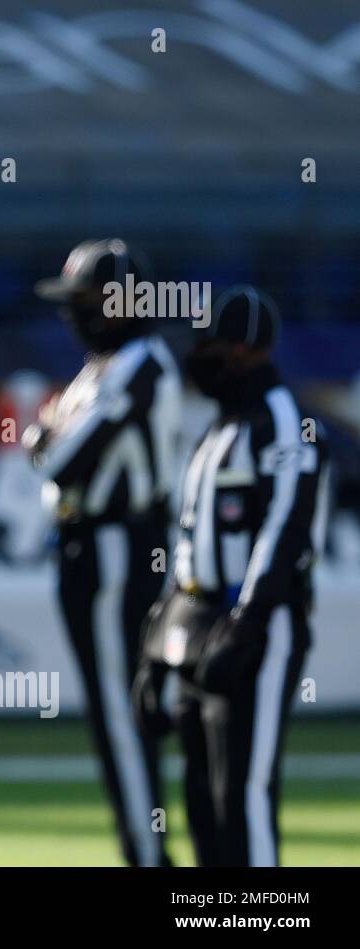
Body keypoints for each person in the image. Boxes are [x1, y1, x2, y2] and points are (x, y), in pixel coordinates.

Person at [134, 287, 330, 867]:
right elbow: (189, 546)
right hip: (197, 624)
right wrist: (156, 646)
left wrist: (247, 623)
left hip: (257, 625)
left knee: (243, 791)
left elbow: (284, 527)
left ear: (244, 349)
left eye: (211, 345)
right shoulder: (219, 429)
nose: (201, 357)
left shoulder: (282, 421)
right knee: (203, 793)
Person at [22, 238, 181, 867]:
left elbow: (60, 455)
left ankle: (150, 857)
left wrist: (47, 438)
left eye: (89, 301)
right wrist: (45, 439)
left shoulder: (140, 363)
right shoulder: (101, 368)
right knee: (113, 711)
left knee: (122, 712)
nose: (76, 314)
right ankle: (143, 850)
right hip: (88, 546)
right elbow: (43, 446)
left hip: (121, 545)